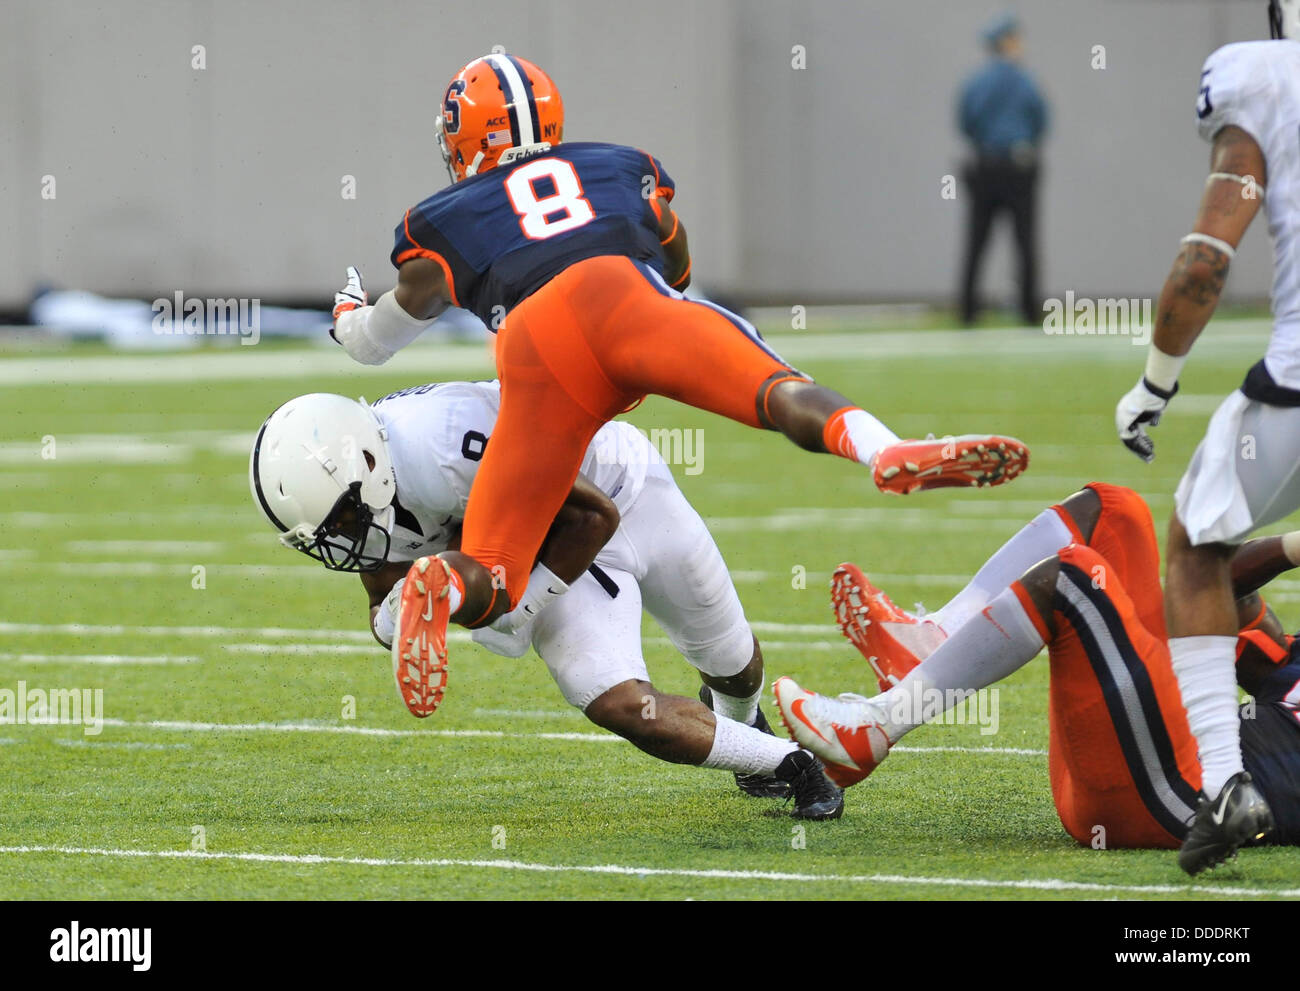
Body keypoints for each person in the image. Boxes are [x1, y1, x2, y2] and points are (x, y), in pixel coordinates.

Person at [326, 53, 1031, 719]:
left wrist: (349, 318)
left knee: (500, 576)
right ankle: (883, 450)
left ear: (461, 140)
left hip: (539, 353)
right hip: (625, 299)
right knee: (777, 390)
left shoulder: (448, 218)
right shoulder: (613, 166)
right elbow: (674, 243)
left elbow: (376, 339)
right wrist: (672, 303)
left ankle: (443, 584)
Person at [248, 384, 844, 819]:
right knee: (616, 703)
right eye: (330, 534)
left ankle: (744, 728)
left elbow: (592, 516)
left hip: (620, 491)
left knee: (734, 666)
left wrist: (520, 610)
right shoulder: (364, 491)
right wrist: (399, 616)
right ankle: (790, 763)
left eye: (348, 518)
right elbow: (381, 595)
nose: (348, 538)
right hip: (534, 550)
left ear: (368, 464)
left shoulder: (445, 446)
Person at [774, 482, 1300, 853]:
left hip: (1180, 803)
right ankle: (932, 639)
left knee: (1076, 579)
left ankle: (878, 724)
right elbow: (1212, 594)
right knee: (1113, 509)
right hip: (1134, 755)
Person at [1112, 0, 1300, 872]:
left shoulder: (1260, 77)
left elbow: (1205, 259)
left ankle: (1227, 782)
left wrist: (1156, 380)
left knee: (1195, 544)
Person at [956, 12, 1049, 326]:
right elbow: (1040, 120)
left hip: (984, 167)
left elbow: (966, 121)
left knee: (977, 241)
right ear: (1007, 41)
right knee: (1025, 242)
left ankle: (968, 311)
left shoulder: (976, 82)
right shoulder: (1025, 81)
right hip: (1019, 168)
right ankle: (1028, 312)